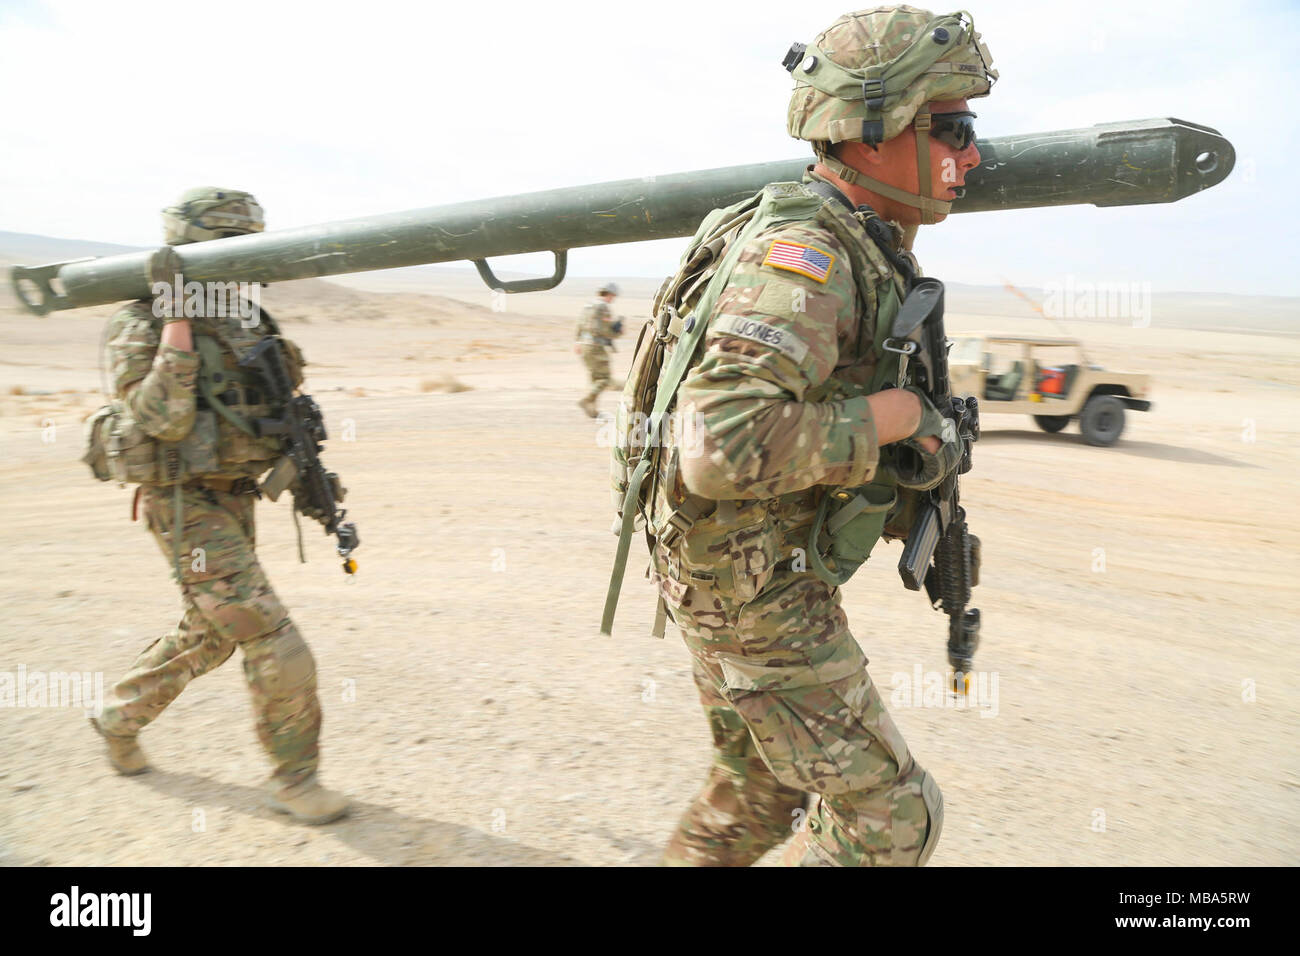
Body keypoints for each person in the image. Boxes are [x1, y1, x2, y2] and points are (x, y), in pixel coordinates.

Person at [609, 7, 995, 865]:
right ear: (866, 136)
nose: (971, 156)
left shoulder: (852, 241)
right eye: (955, 128)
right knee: (891, 815)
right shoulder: (806, 253)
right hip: (753, 596)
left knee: (760, 787)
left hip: (734, 575)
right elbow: (720, 444)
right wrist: (895, 421)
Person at [87, 187, 349, 825]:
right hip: (182, 505)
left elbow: (280, 409)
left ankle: (117, 719)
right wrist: (176, 319)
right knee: (273, 638)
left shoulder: (248, 320)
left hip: (237, 499)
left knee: (208, 638)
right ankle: (295, 780)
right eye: (225, 249)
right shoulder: (139, 323)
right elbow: (162, 420)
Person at [575, 281, 624, 417]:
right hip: (596, 347)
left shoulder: (588, 305)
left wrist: (577, 341)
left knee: (594, 379)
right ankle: (587, 400)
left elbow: (579, 325)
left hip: (585, 346)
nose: (613, 299)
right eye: (613, 296)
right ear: (609, 294)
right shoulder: (603, 308)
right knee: (604, 379)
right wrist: (618, 332)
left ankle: (592, 410)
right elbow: (603, 330)